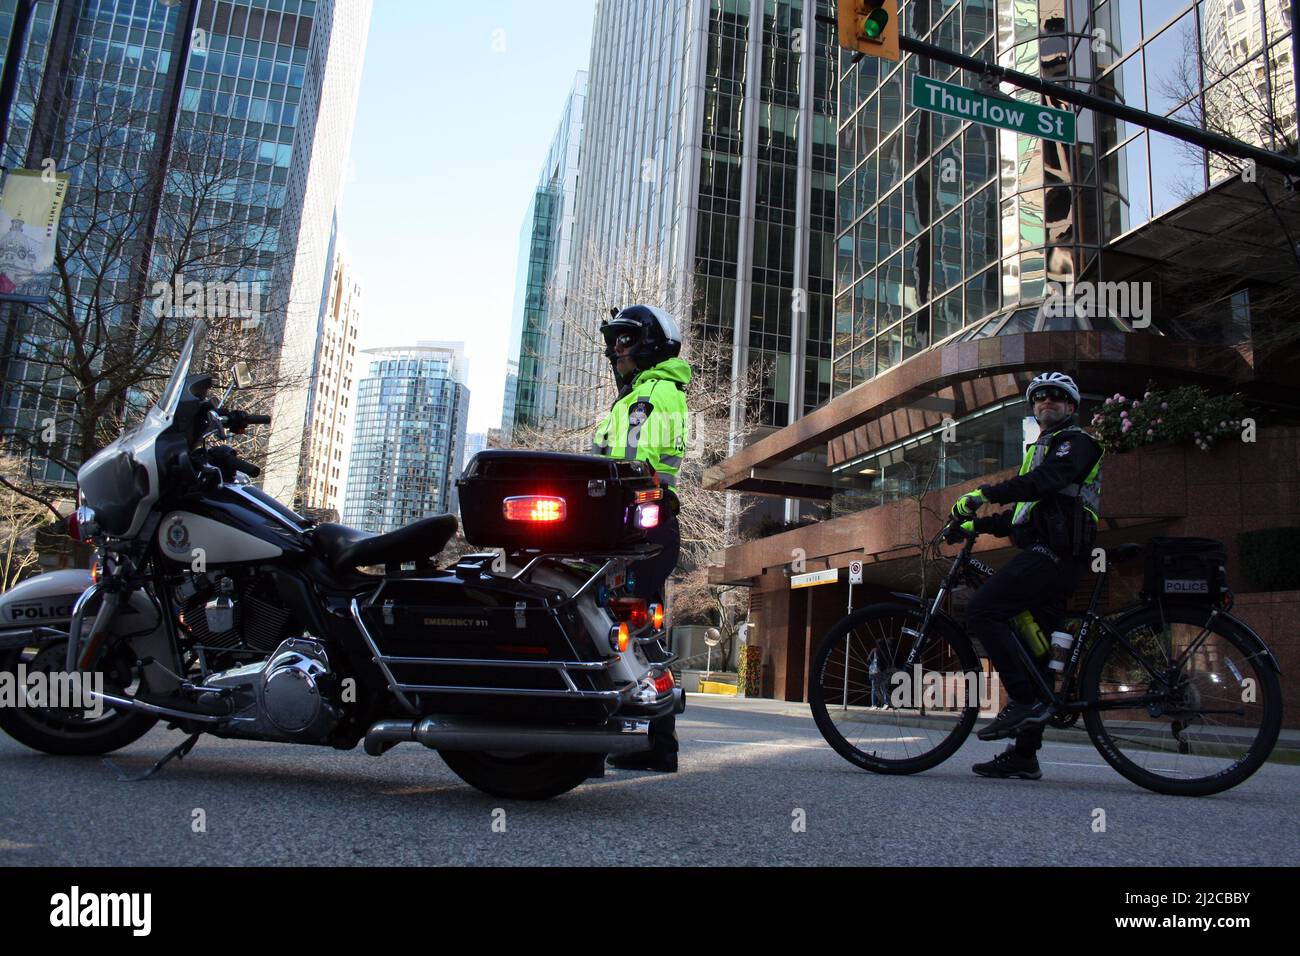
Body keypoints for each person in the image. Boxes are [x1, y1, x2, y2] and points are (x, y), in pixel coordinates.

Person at [947, 371, 1103, 780]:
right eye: (1040, 398)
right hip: (1046, 550)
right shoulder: (1042, 449)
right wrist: (975, 526)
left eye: (1057, 397)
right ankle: (1025, 755)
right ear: (1033, 408)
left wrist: (985, 493)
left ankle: (1020, 700)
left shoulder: (1075, 444)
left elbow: (1045, 482)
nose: (1047, 402)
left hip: (1054, 554)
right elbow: (1023, 520)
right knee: (1036, 655)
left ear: (1071, 407)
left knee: (984, 610)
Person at [591, 304, 691, 772]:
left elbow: (635, 465)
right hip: (644, 528)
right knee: (645, 631)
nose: (615, 349)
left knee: (607, 626)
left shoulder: (651, 395)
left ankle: (595, 737)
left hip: (638, 528)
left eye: (625, 340)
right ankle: (658, 742)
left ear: (651, 343)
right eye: (613, 341)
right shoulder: (640, 395)